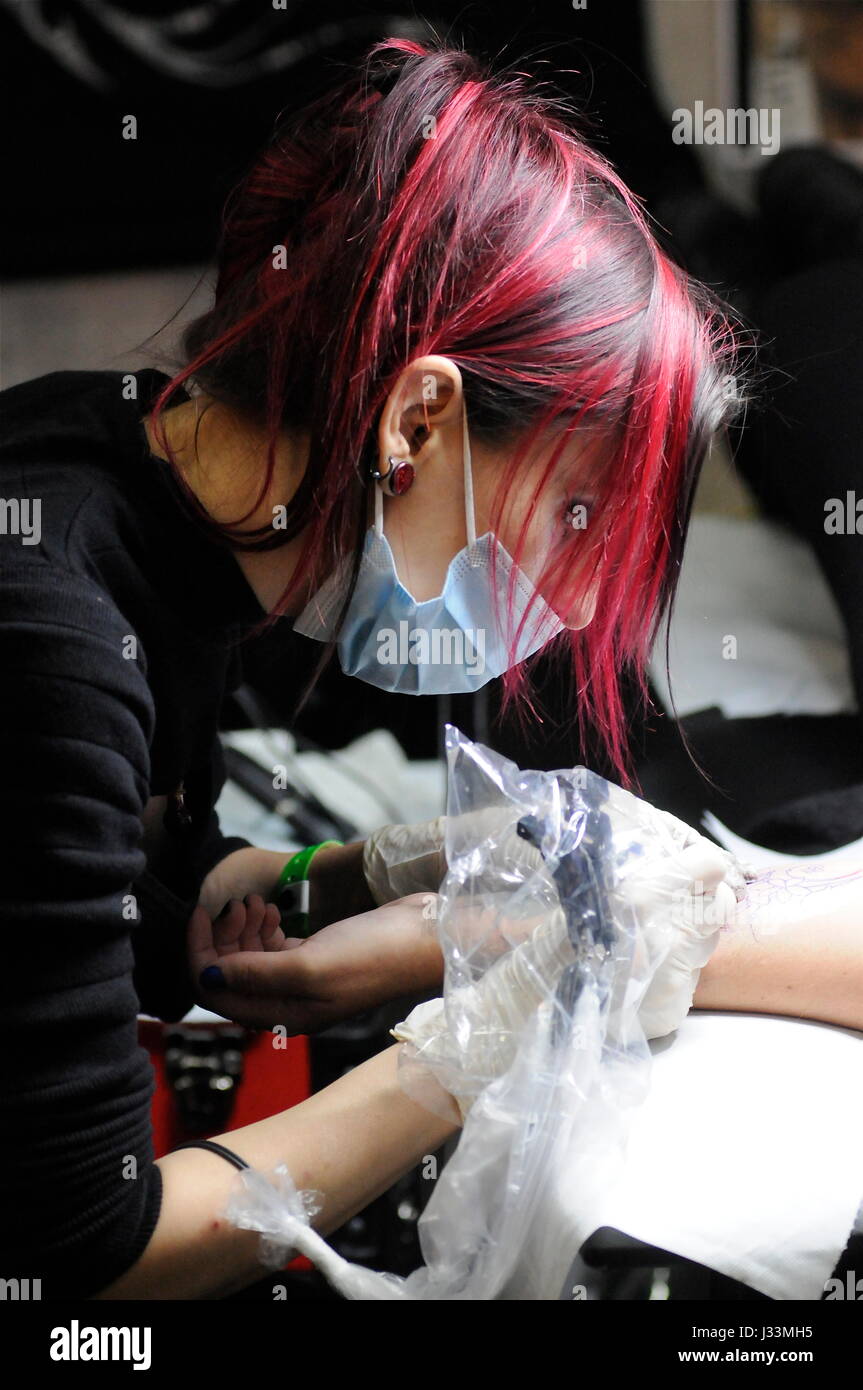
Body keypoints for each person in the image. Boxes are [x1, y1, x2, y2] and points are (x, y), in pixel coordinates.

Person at [0, 36, 843, 1304]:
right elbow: (93, 1251)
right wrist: (461, 1050)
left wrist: (358, 878)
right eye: (571, 519)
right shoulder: (54, 641)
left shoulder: (134, 482)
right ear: (416, 421)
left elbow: (111, 881)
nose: (564, 608)